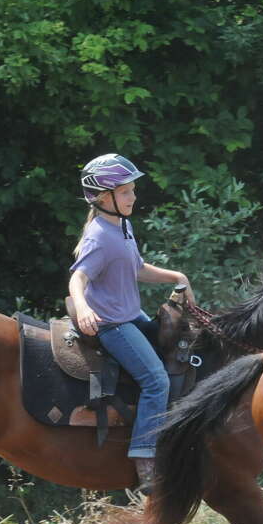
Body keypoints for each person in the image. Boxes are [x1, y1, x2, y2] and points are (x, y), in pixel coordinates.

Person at [68, 153, 194, 494]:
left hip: (130, 314)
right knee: (156, 380)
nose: (134, 197)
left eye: (132, 190)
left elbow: (137, 268)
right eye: (127, 192)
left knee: (183, 348)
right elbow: (78, 278)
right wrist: (82, 309)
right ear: (104, 198)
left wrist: (177, 276)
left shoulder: (122, 225)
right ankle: (145, 459)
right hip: (112, 323)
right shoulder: (98, 237)